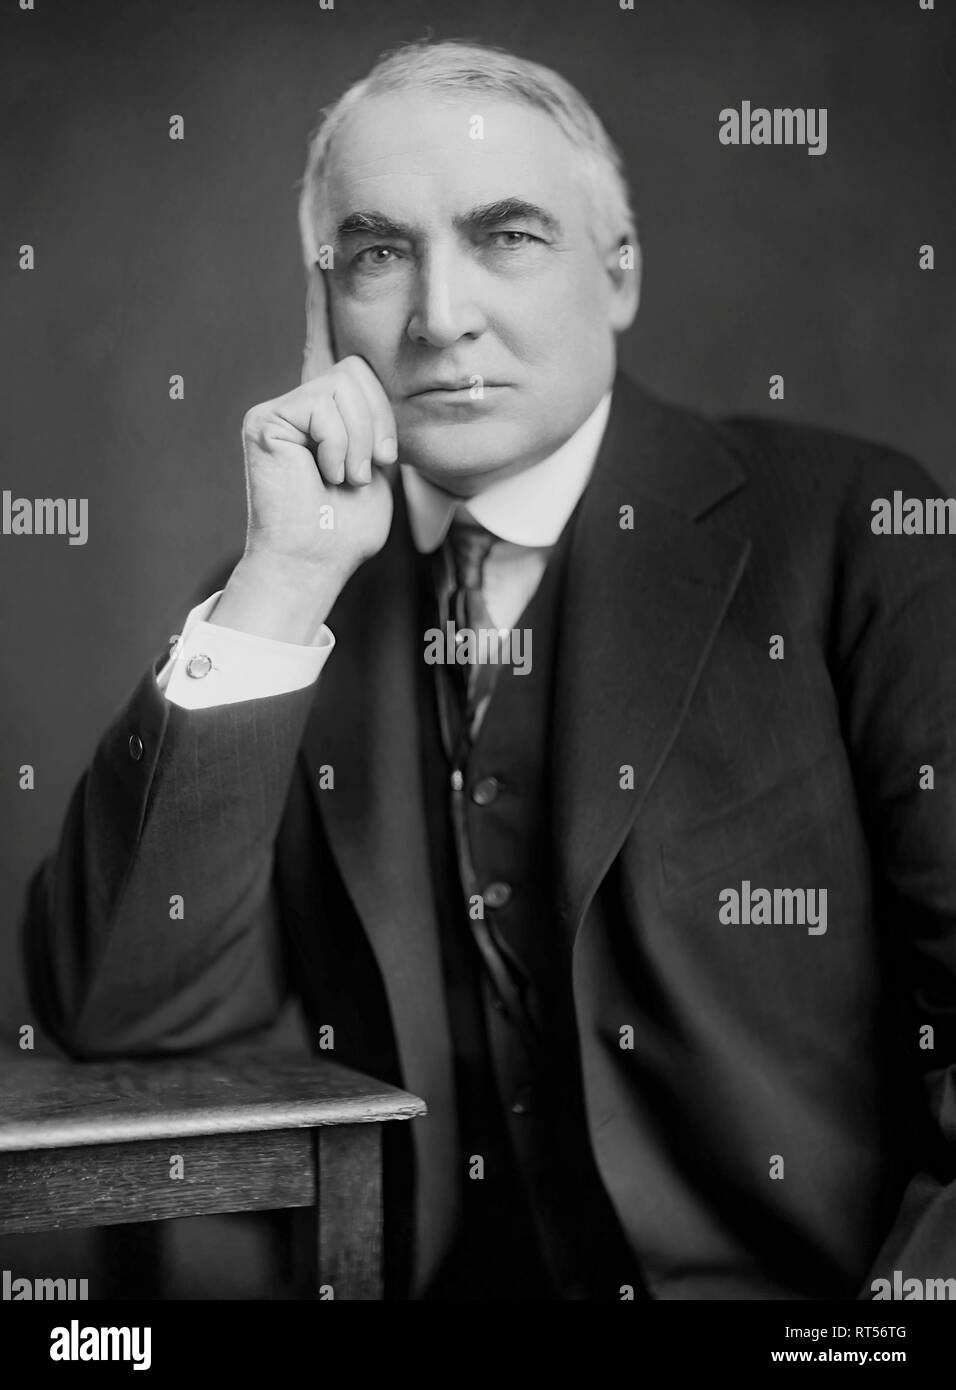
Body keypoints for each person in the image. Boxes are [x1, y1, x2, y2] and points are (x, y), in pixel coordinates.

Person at [23, 38, 956, 1301]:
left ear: (618, 274)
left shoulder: (855, 534)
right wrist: (285, 583)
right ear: (325, 303)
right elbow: (117, 1016)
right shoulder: (271, 615)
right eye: (376, 252)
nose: (439, 314)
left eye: (504, 235)